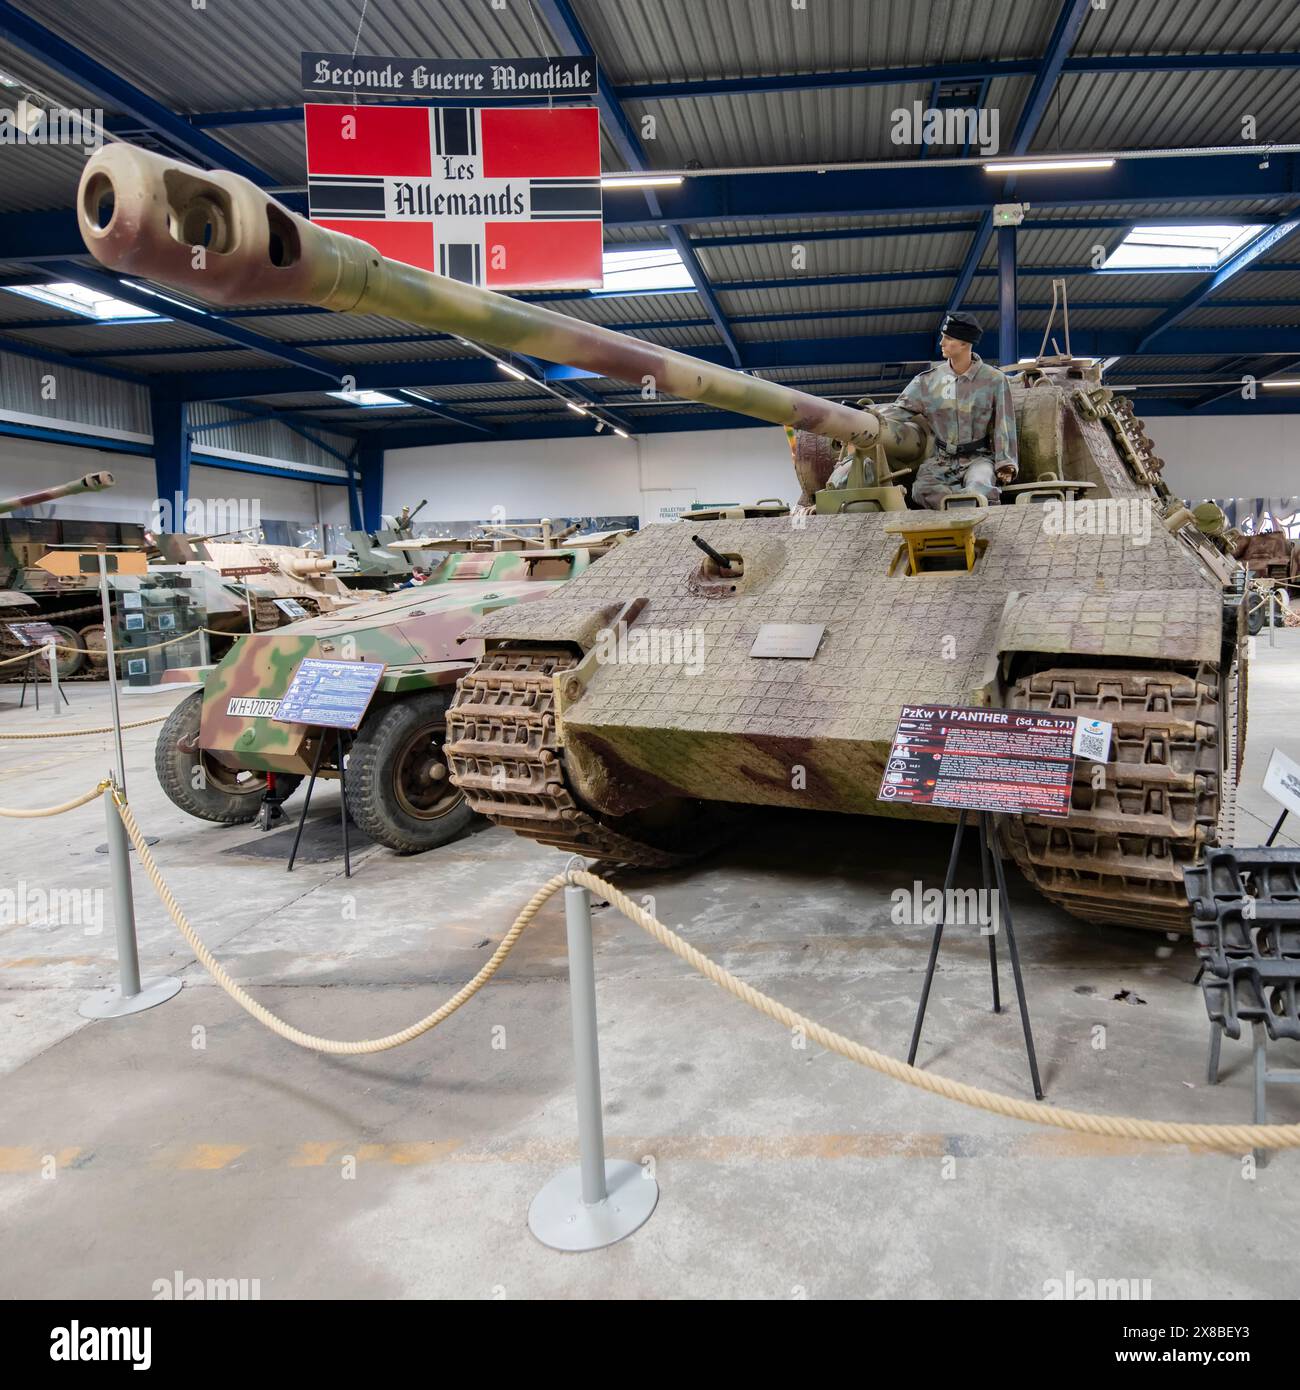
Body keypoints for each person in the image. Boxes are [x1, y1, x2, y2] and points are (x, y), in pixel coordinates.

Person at [896, 311, 1018, 509]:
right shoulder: (928, 381)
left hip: (978, 458)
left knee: (980, 485)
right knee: (922, 489)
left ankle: (963, 503)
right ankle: (960, 506)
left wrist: (1006, 463)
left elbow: (1004, 423)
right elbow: (898, 411)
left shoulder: (994, 380)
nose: (941, 343)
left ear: (965, 343)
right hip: (941, 460)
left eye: (949, 338)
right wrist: (865, 420)